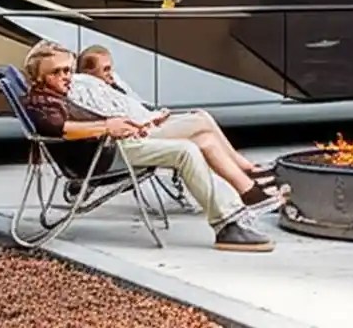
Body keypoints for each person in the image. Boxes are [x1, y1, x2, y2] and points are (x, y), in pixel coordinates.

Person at [19, 39, 276, 252]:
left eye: (67, 70)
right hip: (106, 155)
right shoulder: (41, 101)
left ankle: (234, 214)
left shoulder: (55, 95)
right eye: (56, 72)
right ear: (38, 77)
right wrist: (107, 127)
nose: (66, 77)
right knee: (186, 150)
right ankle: (228, 224)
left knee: (194, 142)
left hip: (113, 146)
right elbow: (59, 129)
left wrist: (127, 124)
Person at [70, 45, 286, 204]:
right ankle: (247, 169)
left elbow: (132, 105)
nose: (110, 75)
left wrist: (154, 114)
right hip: (136, 136)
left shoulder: (109, 84)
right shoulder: (86, 85)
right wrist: (149, 120)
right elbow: (112, 117)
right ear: (88, 72)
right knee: (201, 118)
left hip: (146, 126)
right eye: (105, 70)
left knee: (206, 140)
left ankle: (248, 190)